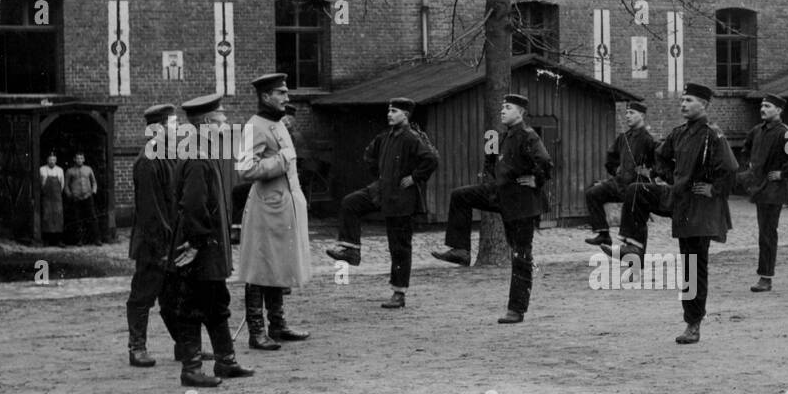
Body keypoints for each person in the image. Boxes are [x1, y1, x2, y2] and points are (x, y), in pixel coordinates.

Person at [618, 82, 739, 344]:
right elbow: (660, 157)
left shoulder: (713, 136)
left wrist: (713, 188)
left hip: (700, 209)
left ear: (704, 105)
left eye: (689, 100)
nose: (683, 104)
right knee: (636, 190)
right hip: (680, 200)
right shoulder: (679, 133)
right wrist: (668, 176)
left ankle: (693, 324)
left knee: (692, 267)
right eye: (682, 100)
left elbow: (730, 169)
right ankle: (634, 246)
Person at [158, 93, 253, 387]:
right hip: (199, 250)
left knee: (215, 303)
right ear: (208, 123)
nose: (226, 121)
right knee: (191, 307)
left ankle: (225, 361)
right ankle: (191, 370)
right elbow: (194, 205)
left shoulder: (202, 151)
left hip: (206, 248)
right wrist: (198, 243)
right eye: (222, 117)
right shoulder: (199, 157)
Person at [431, 94, 553, 324]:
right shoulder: (500, 137)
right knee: (461, 196)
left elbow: (545, 162)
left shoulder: (528, 136)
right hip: (500, 195)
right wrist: (491, 181)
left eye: (508, 108)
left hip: (521, 203)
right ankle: (461, 250)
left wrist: (537, 180)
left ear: (521, 113)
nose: (502, 111)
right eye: (502, 107)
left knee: (520, 255)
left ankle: (516, 310)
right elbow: (491, 162)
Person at [326, 98, 439, 309]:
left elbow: (431, 160)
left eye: (394, 111)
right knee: (351, 203)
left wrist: (414, 178)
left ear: (405, 115)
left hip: (401, 198)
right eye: (388, 110)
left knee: (399, 247)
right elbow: (369, 155)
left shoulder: (412, 138)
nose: (389, 114)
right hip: (381, 190)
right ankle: (351, 249)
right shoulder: (385, 136)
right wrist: (381, 175)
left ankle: (399, 292)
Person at [237, 72, 313, 348]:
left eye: (286, 92)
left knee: (278, 264)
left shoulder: (278, 124)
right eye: (281, 93)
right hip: (265, 209)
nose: (287, 97)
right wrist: (280, 161)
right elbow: (245, 169)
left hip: (284, 208)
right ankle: (257, 331)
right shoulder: (254, 126)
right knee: (259, 267)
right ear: (266, 96)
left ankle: (278, 324)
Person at [125, 104, 177, 368]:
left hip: (168, 241)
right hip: (152, 243)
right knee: (142, 296)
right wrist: (161, 247)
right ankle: (137, 347)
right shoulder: (148, 160)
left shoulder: (167, 155)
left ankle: (185, 345)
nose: (178, 129)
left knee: (173, 297)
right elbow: (151, 211)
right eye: (173, 124)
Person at [739, 93, 788, 292]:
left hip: (773, 191)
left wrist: (783, 174)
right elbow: (745, 149)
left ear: (779, 110)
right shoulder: (756, 130)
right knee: (763, 233)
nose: (762, 109)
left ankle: (765, 278)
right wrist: (750, 167)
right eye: (761, 106)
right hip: (759, 188)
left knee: (767, 234)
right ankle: (764, 275)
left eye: (767, 106)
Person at [583, 101, 656, 249]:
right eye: (627, 113)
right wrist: (616, 169)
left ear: (641, 116)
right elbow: (611, 157)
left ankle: (632, 248)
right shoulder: (623, 138)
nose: (627, 116)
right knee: (593, 193)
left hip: (637, 186)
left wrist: (650, 172)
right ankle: (603, 234)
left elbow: (658, 163)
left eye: (632, 113)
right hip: (619, 183)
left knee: (635, 219)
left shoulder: (648, 140)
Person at [63, 151, 99, 244]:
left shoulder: (88, 169)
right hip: (76, 198)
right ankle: (80, 240)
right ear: (74, 159)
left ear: (84, 159)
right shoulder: (70, 171)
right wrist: (69, 194)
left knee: (92, 218)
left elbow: (94, 182)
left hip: (88, 196)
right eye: (77, 158)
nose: (79, 160)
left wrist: (93, 191)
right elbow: (66, 185)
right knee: (78, 219)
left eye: (81, 158)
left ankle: (96, 239)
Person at [39, 152, 65, 245]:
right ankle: (46, 240)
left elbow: (62, 185)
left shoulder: (60, 170)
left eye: (54, 160)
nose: (52, 161)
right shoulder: (42, 169)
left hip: (57, 198)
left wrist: (57, 194)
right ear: (47, 160)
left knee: (58, 216)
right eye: (50, 159)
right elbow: (40, 184)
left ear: (56, 160)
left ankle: (58, 240)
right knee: (47, 216)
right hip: (47, 198)